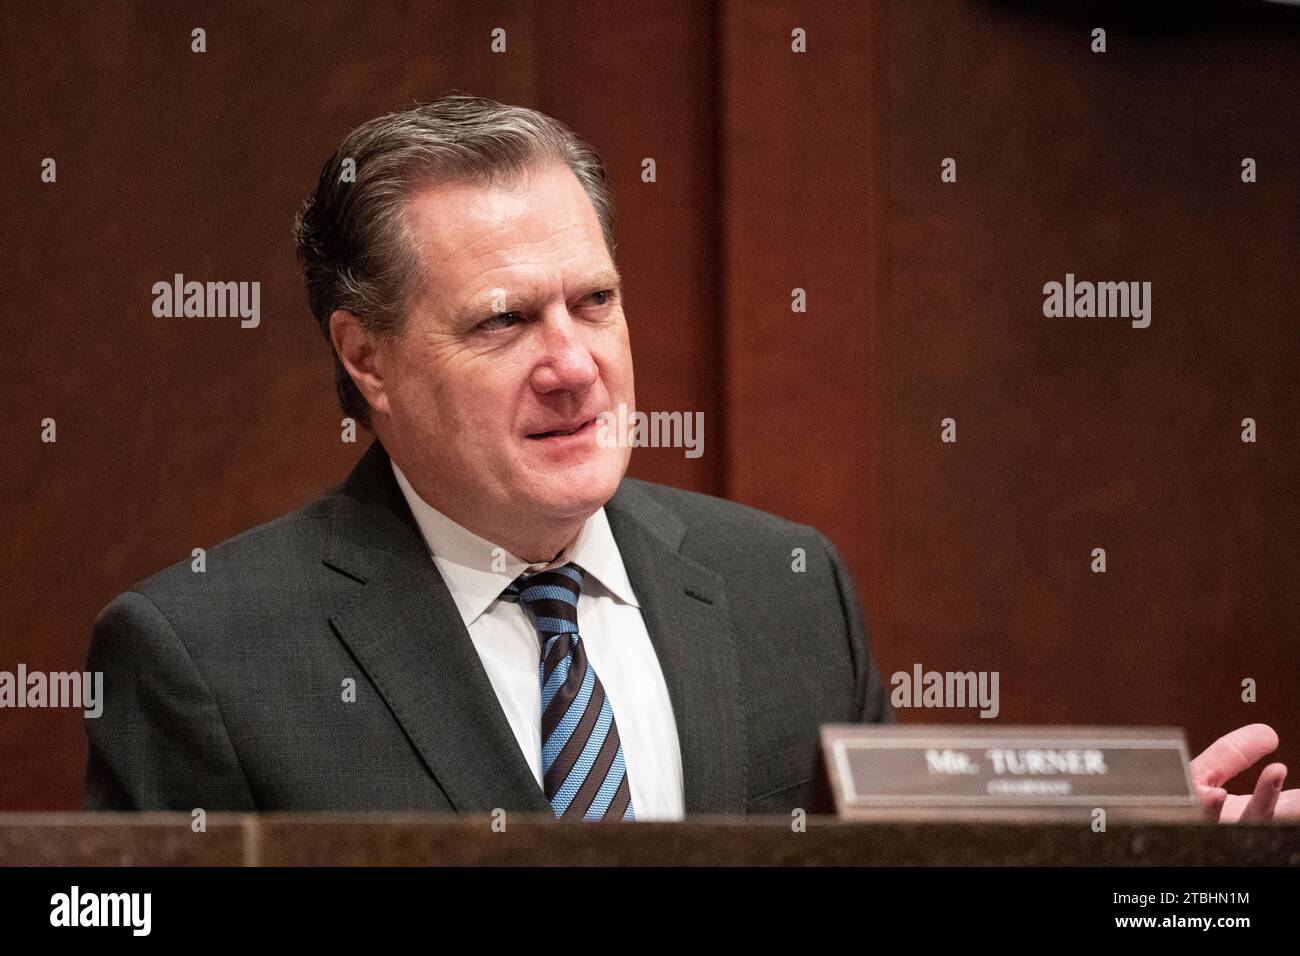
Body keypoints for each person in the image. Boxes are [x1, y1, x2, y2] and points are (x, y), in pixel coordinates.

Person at [83, 95, 1295, 823]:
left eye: (595, 301)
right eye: (505, 320)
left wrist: (1136, 866)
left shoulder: (783, 586)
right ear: (369, 357)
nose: (574, 364)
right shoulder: (204, 651)